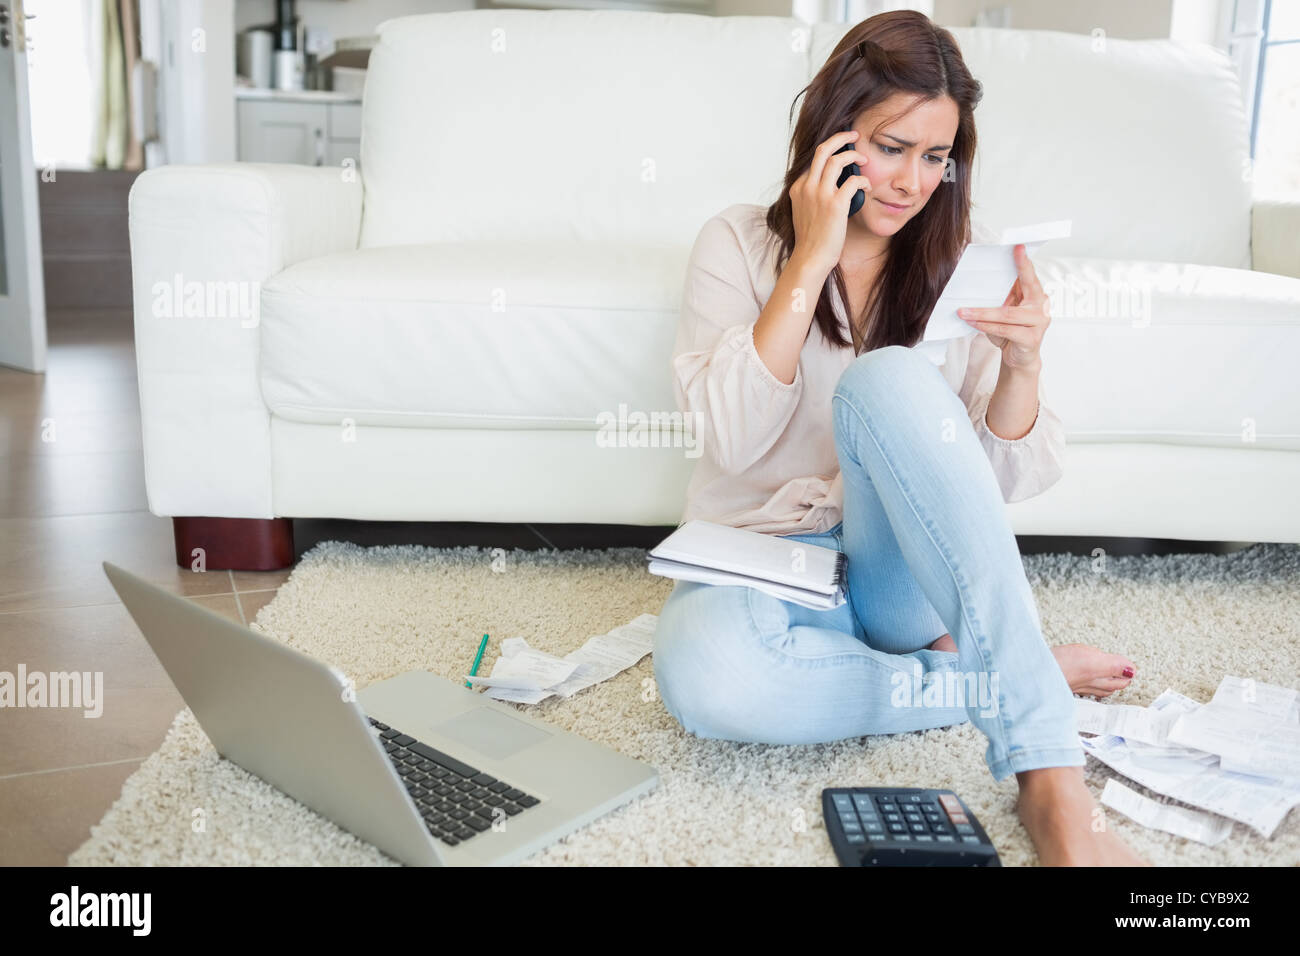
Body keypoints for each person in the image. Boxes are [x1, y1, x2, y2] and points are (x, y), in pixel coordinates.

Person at [653, 10, 1146, 866]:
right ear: (831, 135)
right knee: (709, 681)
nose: (912, 182)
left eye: (935, 157)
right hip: (763, 561)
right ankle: (1001, 672)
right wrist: (809, 260)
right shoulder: (734, 244)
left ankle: (1047, 769)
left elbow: (981, 491)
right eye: (891, 147)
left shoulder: (969, 259)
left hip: (899, 577)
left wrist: (1023, 368)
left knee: (887, 377)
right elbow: (732, 439)